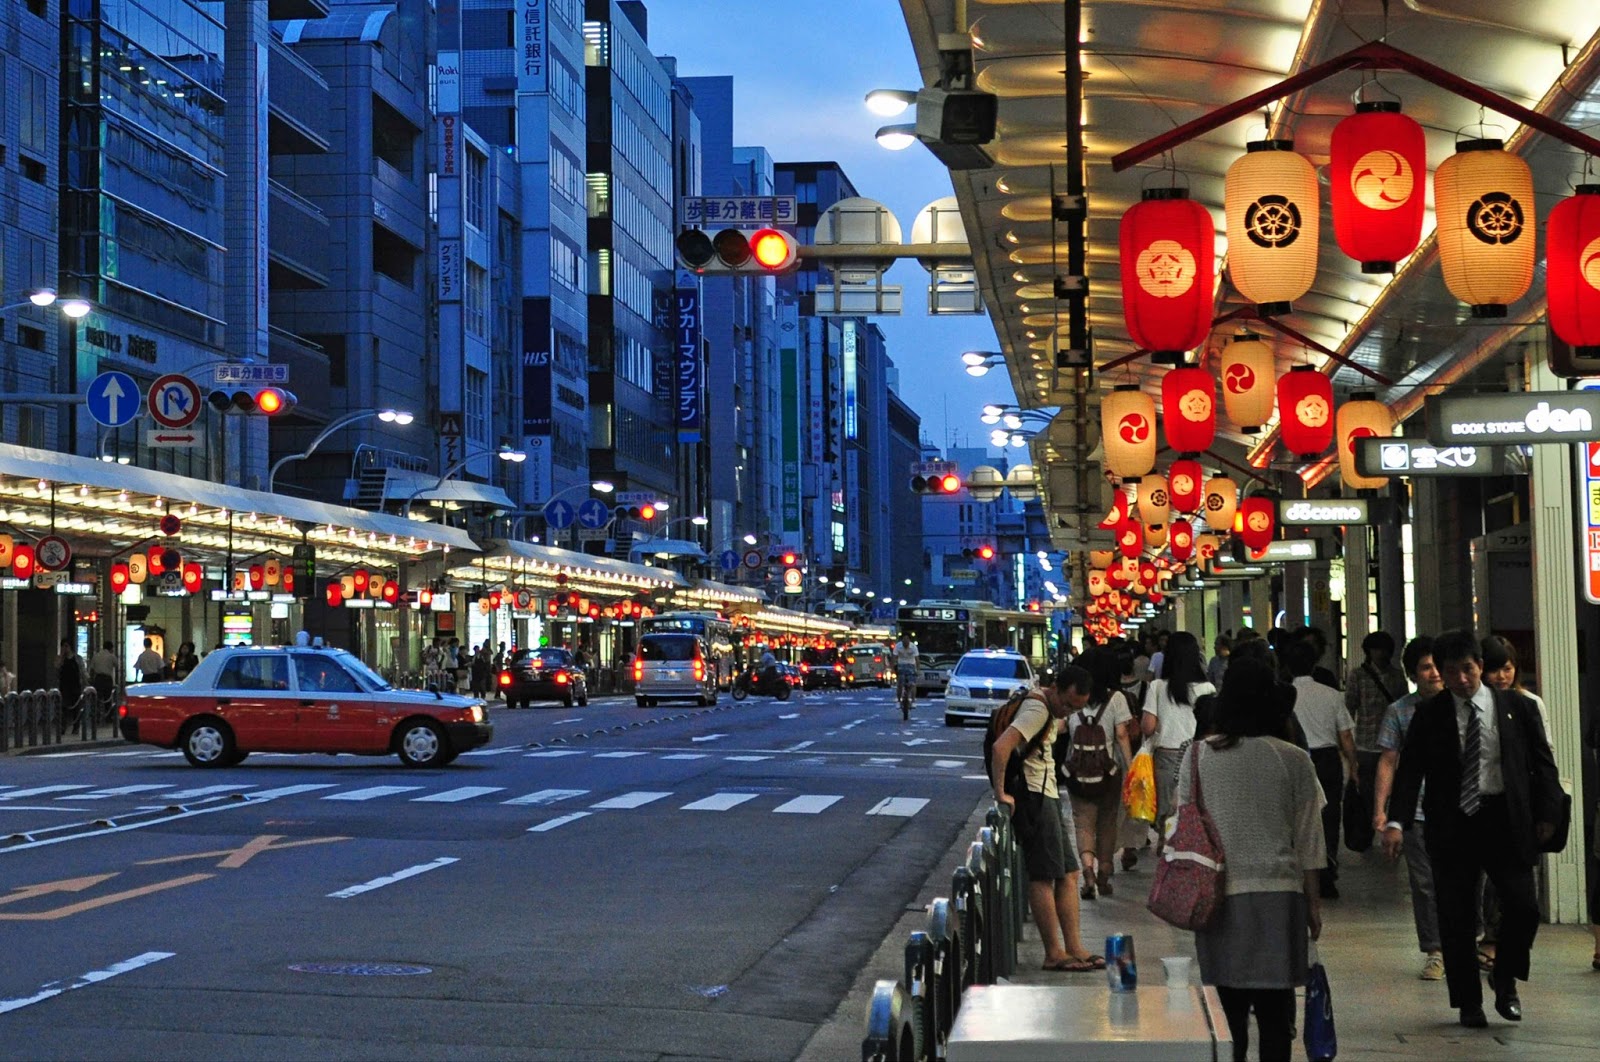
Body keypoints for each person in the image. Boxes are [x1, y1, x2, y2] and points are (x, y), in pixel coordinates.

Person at [1385, 630, 1564, 1028]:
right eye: (1452, 672)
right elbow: (1410, 770)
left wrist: (1548, 813)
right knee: (1457, 915)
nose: (1462, 680)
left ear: (1480, 667)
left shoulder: (1517, 707)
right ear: (1442, 675)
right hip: (1453, 824)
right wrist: (1395, 820)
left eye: (1468, 670)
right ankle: (1468, 1002)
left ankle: (1506, 979)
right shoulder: (1429, 715)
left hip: (1504, 819)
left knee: (1524, 906)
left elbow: (1542, 764)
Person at [1178, 656, 1325, 1062]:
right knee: (1277, 1014)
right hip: (1280, 897)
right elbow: (1310, 841)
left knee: (1227, 1013)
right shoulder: (1295, 759)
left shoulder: (1197, 757)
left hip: (1217, 896)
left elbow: (1183, 824)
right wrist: (1313, 903)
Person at [990, 665, 1105, 972]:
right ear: (1056, 686)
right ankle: (1054, 952)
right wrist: (1001, 793)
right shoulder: (1038, 709)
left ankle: (1074, 947)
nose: (1066, 710)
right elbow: (1002, 746)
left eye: (1075, 708)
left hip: (1047, 792)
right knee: (1043, 875)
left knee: (1069, 873)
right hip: (1033, 795)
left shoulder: (1046, 708)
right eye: (1066, 703)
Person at [1372, 635, 1446, 980]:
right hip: (1416, 812)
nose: (1434, 673)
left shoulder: (1462, 707)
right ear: (1413, 674)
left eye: (1437, 666)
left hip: (1459, 811)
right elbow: (1388, 761)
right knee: (1425, 882)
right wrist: (1382, 811)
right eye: (1425, 668)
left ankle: (1467, 940)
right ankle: (1435, 950)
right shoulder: (1400, 711)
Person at [1286, 638, 1358, 899]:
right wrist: (1354, 765)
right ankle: (1327, 871)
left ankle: (1302, 873)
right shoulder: (1330, 694)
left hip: (1294, 759)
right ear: (1315, 664)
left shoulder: (1284, 695)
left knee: (1298, 818)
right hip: (1328, 760)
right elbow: (1346, 737)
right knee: (1329, 817)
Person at [1064, 647, 1133, 899]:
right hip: (1109, 774)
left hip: (1078, 773)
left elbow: (1061, 728)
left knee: (1083, 824)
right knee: (1107, 822)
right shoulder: (1116, 698)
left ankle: (1087, 872)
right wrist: (1131, 768)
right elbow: (1122, 735)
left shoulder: (1072, 697)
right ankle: (1104, 871)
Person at [1140, 630, 1216, 837]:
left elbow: (1147, 726)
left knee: (1167, 811)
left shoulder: (1157, 687)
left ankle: (1167, 847)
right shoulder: (1207, 688)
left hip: (1166, 757)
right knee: (1194, 807)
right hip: (1199, 755)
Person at [1346, 630, 1408, 817]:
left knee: (1390, 785)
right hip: (1366, 741)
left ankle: (1383, 815)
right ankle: (1371, 819)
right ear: (1368, 651)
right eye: (1376, 649)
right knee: (1366, 787)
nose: (1380, 653)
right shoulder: (1357, 675)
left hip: (1391, 742)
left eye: (1384, 649)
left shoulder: (1397, 676)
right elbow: (1350, 706)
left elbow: (1403, 705)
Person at [56, 638, 85, 717]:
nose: (64, 648)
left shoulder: (77, 658)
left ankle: (76, 725)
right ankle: (64, 724)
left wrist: (85, 682)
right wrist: (61, 656)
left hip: (75, 686)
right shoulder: (60, 658)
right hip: (64, 686)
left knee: (76, 706)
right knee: (64, 706)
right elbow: (57, 667)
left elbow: (82, 671)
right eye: (62, 646)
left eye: (66, 646)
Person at [89, 641, 120, 705]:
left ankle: (97, 713)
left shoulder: (96, 655)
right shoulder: (111, 656)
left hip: (98, 678)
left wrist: (91, 680)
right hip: (107, 679)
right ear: (111, 648)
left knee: (98, 698)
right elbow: (117, 665)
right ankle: (107, 713)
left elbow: (91, 668)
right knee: (108, 698)